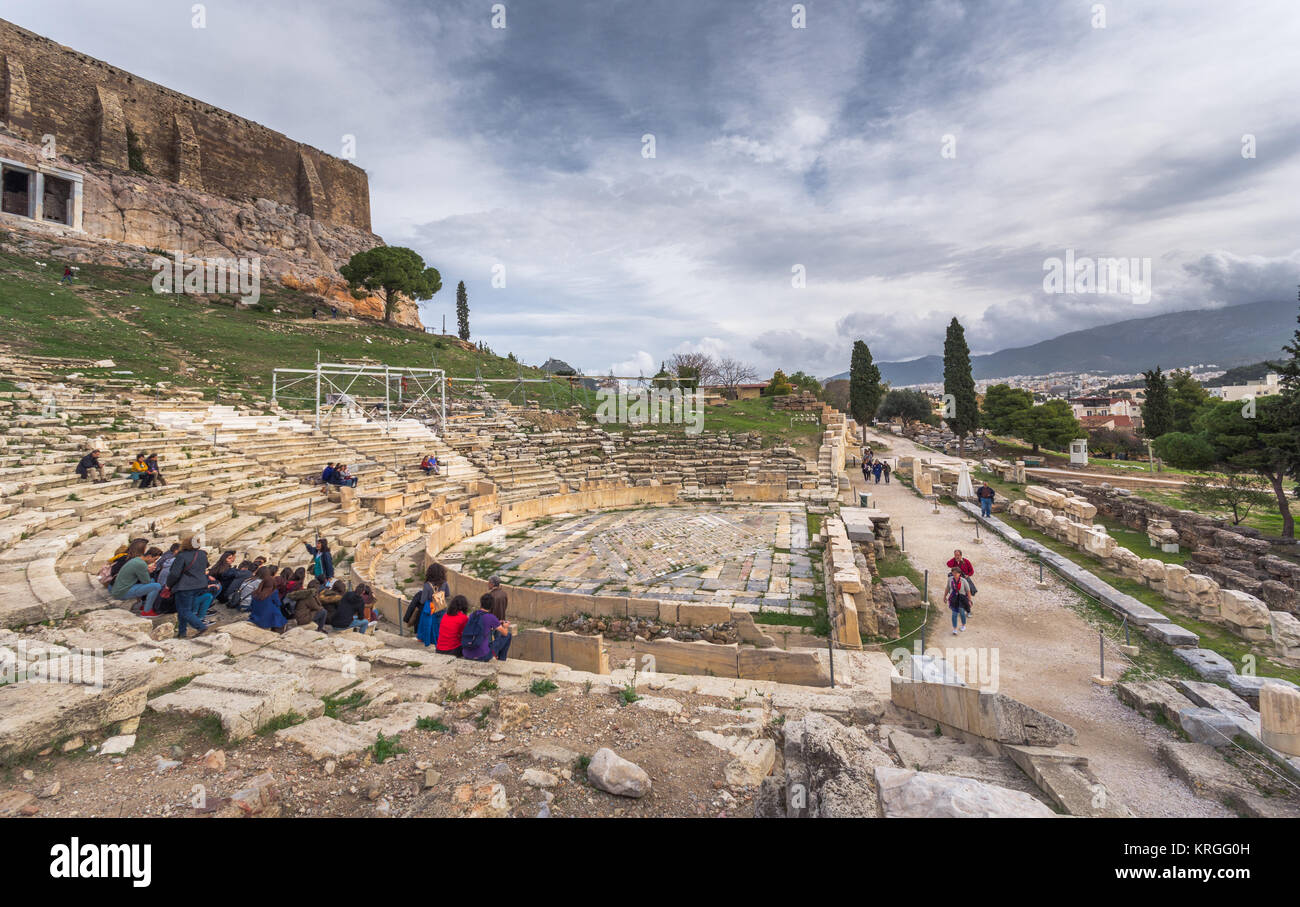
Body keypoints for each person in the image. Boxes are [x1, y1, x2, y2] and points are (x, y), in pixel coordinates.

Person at [166, 531, 211, 638]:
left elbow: (175, 574)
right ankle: (182, 632)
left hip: (185, 586)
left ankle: (200, 626)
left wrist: (168, 584)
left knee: (184, 610)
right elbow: (205, 566)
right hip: (200, 585)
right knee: (185, 609)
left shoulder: (182, 556)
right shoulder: (202, 554)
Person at [109, 538, 163, 615]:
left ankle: (144, 605)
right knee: (156, 586)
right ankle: (147, 611)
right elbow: (146, 581)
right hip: (121, 592)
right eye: (154, 559)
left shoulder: (136, 560)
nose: (154, 562)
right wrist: (148, 571)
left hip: (119, 588)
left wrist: (146, 571)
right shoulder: (141, 563)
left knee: (152, 581)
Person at [462, 593, 512, 662]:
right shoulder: (491, 617)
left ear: (481, 603)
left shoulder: (472, 615)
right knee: (508, 635)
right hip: (482, 656)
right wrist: (505, 626)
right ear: (492, 606)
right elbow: (505, 633)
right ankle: (501, 660)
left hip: (466, 654)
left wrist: (495, 623)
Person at [412, 563, 450, 646]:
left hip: (430, 607)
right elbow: (447, 594)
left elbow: (423, 600)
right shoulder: (444, 583)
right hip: (441, 606)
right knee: (439, 625)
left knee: (428, 625)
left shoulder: (427, 585)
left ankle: (429, 641)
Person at [248, 566, 288, 632]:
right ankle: (278, 629)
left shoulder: (255, 593)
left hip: (256, 616)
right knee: (276, 611)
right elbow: (278, 603)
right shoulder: (273, 592)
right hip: (267, 618)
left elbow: (251, 606)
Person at [945, 566, 977, 634]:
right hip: (953, 598)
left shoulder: (963, 581)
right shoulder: (950, 579)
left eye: (956, 573)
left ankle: (963, 625)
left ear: (959, 573)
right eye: (953, 573)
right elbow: (947, 588)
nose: (954, 574)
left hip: (962, 599)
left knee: (962, 612)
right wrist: (944, 596)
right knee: (954, 614)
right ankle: (955, 629)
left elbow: (968, 591)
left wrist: (969, 600)